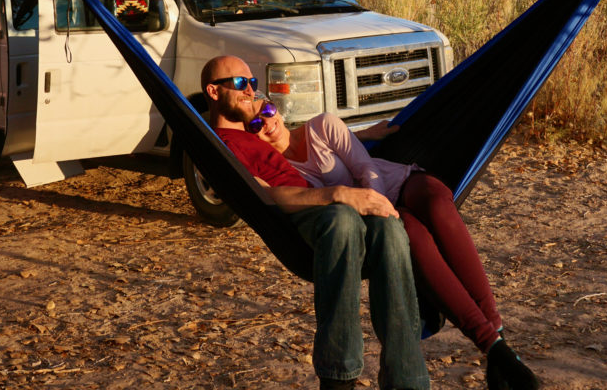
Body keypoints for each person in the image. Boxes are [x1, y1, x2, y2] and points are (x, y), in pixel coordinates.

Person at [249, 101, 539, 390]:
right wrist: (382, 215)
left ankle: (497, 337)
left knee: (438, 205)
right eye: (255, 124)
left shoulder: (322, 125)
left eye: (267, 110)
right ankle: (497, 349)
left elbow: (366, 167)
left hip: (396, 184)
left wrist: (380, 205)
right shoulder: (282, 174)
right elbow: (266, 193)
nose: (266, 123)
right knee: (413, 237)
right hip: (382, 220)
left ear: (278, 109)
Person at [202, 54, 430, 390]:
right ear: (213, 91)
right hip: (303, 213)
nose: (250, 90)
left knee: (389, 226)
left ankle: (407, 379)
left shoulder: (254, 127)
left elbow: (292, 136)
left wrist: (362, 134)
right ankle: (338, 378)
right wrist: (337, 194)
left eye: (252, 82)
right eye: (239, 83)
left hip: (323, 201)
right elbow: (264, 195)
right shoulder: (221, 145)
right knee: (342, 219)